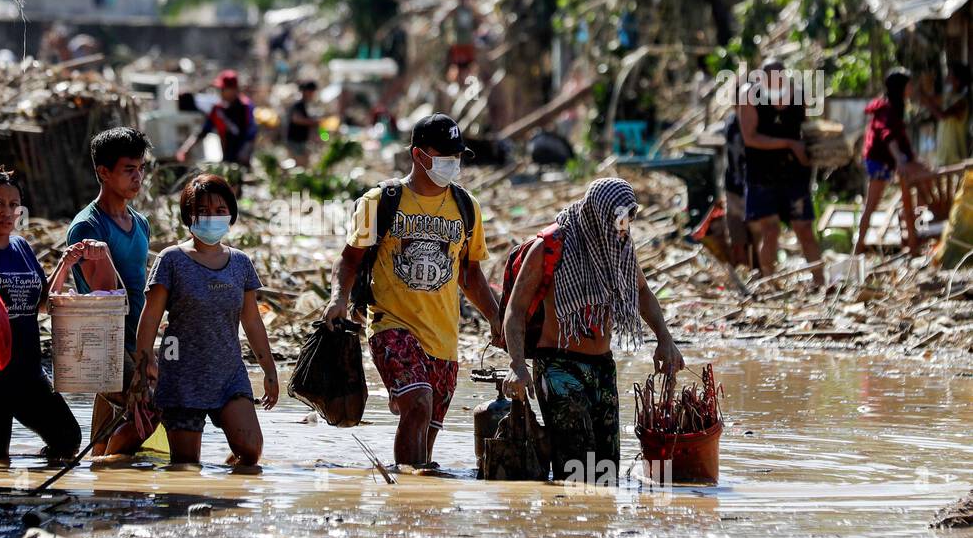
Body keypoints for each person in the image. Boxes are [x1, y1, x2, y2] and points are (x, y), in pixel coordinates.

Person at [322, 113, 501, 467]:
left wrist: (498, 319)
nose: (453, 163)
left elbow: (471, 275)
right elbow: (349, 260)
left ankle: (416, 510)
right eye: (445, 155)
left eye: (457, 156)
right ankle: (405, 492)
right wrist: (337, 299)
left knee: (427, 435)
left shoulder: (467, 207)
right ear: (419, 155)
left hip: (445, 338)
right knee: (418, 403)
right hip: (392, 326)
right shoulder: (380, 201)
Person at [502, 177, 684, 484]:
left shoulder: (621, 246)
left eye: (629, 217)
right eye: (617, 217)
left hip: (602, 368)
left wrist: (665, 339)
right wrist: (517, 366)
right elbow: (515, 311)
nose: (623, 225)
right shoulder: (550, 247)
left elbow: (642, 292)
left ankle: (596, 527)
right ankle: (570, 525)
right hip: (558, 367)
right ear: (596, 213)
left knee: (606, 471)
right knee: (576, 467)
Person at [0, 167, 106, 462]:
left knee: (67, 439)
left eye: (13, 205)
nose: (7, 212)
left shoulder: (22, 247)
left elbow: (42, 303)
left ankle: (37, 485)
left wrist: (66, 264)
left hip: (27, 373)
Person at [135, 174, 277, 466]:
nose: (212, 217)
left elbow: (252, 322)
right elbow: (151, 315)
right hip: (182, 376)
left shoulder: (240, 263)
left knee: (250, 451)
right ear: (189, 216)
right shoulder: (171, 260)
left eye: (220, 211)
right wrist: (145, 361)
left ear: (231, 215)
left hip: (228, 373)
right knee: (186, 464)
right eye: (203, 211)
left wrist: (269, 370)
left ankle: (228, 494)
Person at [66, 128, 153, 456]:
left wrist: (146, 347)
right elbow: (106, 298)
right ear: (103, 172)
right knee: (149, 408)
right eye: (129, 169)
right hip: (103, 342)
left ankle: (100, 487)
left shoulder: (140, 223)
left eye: (141, 168)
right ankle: (111, 472)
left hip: (133, 338)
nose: (138, 177)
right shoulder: (88, 227)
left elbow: (140, 286)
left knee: (105, 430)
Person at [739, 60, 824, 286]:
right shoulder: (750, 96)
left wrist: (813, 151)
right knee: (771, 229)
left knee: (804, 227)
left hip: (794, 172)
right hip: (762, 173)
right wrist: (788, 144)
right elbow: (750, 137)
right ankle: (768, 283)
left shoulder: (797, 95)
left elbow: (805, 129)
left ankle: (820, 282)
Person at [855, 68, 933, 255]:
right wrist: (901, 161)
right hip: (879, 162)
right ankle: (857, 248)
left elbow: (901, 140)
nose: (912, 88)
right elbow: (887, 136)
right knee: (871, 205)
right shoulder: (885, 108)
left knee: (925, 176)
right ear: (901, 87)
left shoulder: (897, 108)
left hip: (890, 160)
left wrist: (912, 160)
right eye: (909, 85)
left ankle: (918, 232)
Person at [176, 70, 258, 167]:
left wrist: (245, 152)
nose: (220, 92)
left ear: (234, 89)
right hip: (227, 160)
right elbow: (203, 131)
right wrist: (186, 148)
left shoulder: (246, 107)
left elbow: (251, 133)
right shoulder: (218, 110)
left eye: (223, 89)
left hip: (243, 160)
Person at [921, 62, 972, 168]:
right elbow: (932, 99)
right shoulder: (949, 97)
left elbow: (942, 115)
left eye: (950, 75)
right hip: (944, 156)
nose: (947, 78)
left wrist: (927, 102)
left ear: (957, 81)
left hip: (956, 158)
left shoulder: (962, 101)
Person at [722, 105, 752, 268]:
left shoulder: (751, 119)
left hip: (751, 185)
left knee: (755, 232)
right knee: (737, 235)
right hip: (735, 185)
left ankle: (756, 271)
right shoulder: (732, 121)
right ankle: (744, 269)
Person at [442, 0, 483, 84]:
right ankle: (456, 84)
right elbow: (444, 20)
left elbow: (479, 20)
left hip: (469, 41)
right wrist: (445, 33)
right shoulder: (456, 10)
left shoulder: (472, 10)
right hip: (458, 42)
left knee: (470, 64)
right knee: (458, 65)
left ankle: (470, 84)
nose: (470, 0)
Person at [285, 79, 320, 158]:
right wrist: (313, 122)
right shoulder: (298, 104)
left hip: (302, 139)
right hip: (295, 140)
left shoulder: (306, 105)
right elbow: (296, 119)